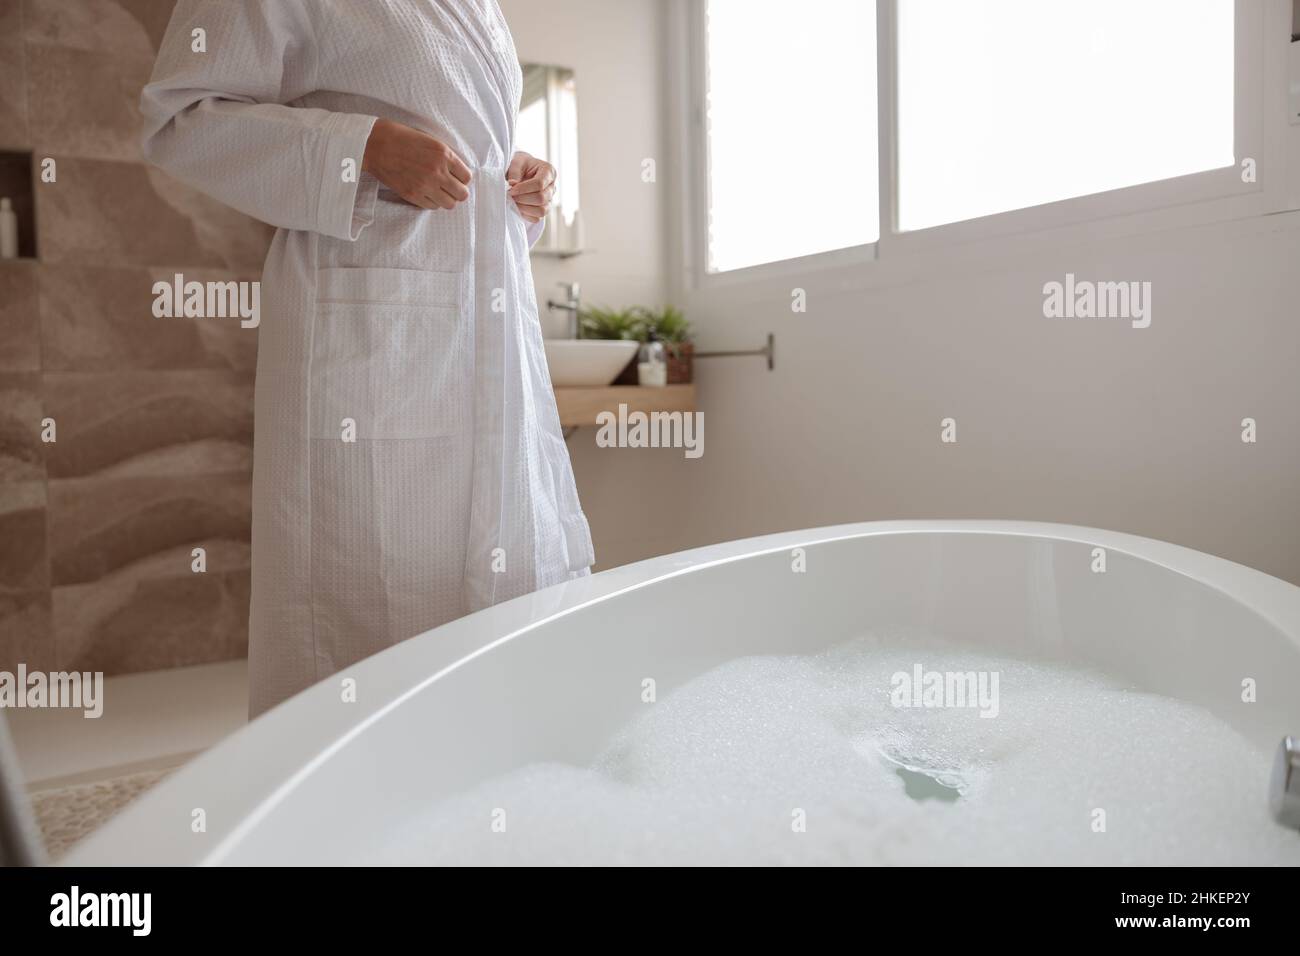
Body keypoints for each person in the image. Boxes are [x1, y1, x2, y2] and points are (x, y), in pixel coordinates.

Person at [141, 0, 594, 717]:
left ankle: (496, 791)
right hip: (371, 340)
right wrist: (363, 149)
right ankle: (352, 810)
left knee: (506, 566)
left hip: (488, 327)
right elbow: (181, 120)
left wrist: (514, 187)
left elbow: (454, 152)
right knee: (367, 592)